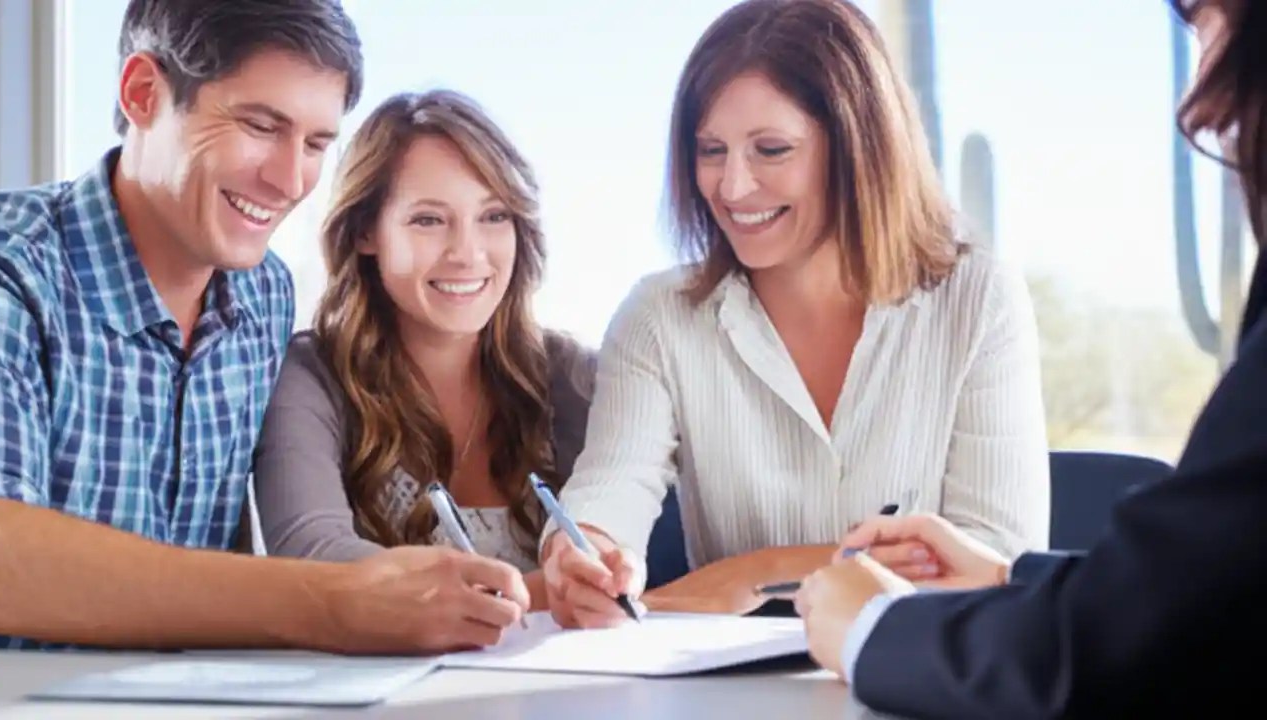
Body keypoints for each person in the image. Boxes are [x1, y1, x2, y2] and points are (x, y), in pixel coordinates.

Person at [0, 0, 527, 654]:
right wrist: (331, 601)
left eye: (317, 144)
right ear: (142, 93)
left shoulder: (263, 291)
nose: (288, 178)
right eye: (260, 125)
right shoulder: (8, 273)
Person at [793, 0, 1267, 716]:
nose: (1201, 109)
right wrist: (1006, 576)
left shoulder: (977, 292)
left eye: (1209, 29)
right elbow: (1217, 601)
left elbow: (1124, 660)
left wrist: (871, 627)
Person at [541, 0, 1050, 629]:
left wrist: (753, 571)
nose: (731, 187)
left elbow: (994, 561)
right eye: (710, 150)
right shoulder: (658, 318)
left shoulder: (979, 298)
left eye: (772, 149)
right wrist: (585, 552)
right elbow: (612, 487)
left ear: (859, 148)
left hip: (923, 682)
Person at [252, 90, 596, 620]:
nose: (467, 254)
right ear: (366, 231)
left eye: (494, 216)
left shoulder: (572, 377)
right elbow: (312, 556)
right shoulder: (312, 375)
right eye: (429, 221)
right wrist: (546, 593)